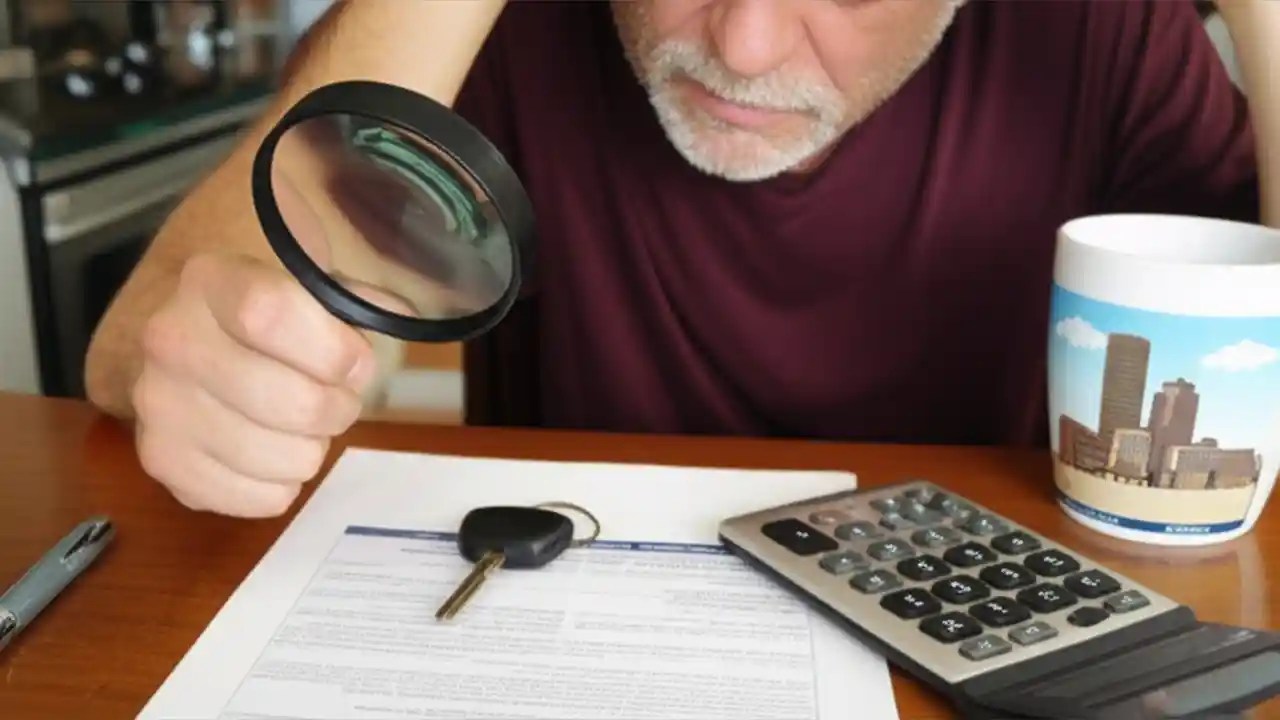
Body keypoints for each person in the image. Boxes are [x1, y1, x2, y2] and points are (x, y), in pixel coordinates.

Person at [83, 0, 1277, 519]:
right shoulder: (514, 27)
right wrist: (212, 382)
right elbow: (146, 345)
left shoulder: (1098, 29)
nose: (745, 46)